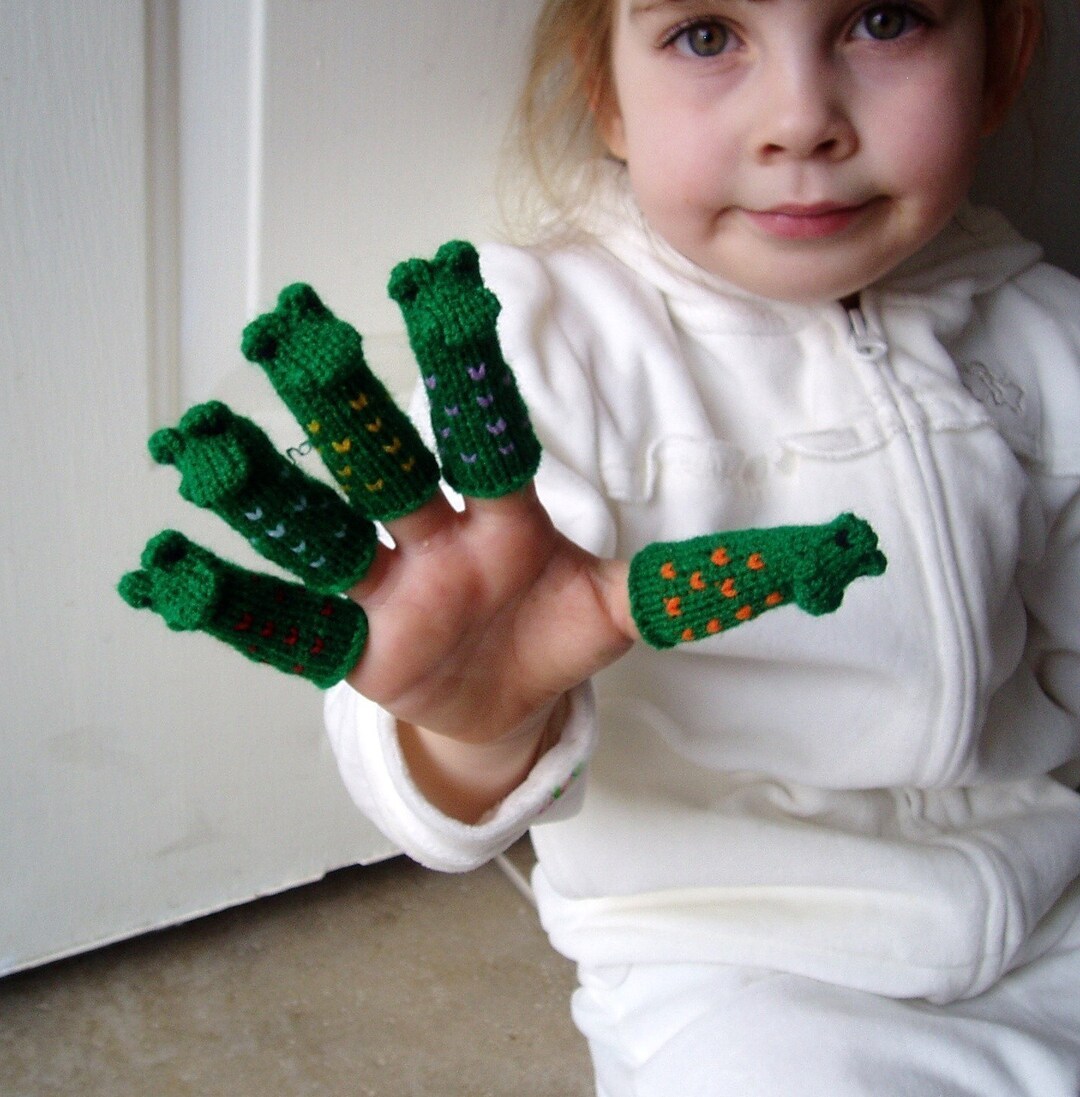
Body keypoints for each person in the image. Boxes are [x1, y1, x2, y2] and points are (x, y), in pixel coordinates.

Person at [329, 0, 1079, 1091]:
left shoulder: (1042, 330)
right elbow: (426, 708)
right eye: (707, 35)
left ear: (999, 60)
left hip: (1051, 903)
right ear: (607, 91)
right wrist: (468, 725)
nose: (800, 121)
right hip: (739, 963)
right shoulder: (535, 346)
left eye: (884, 19)